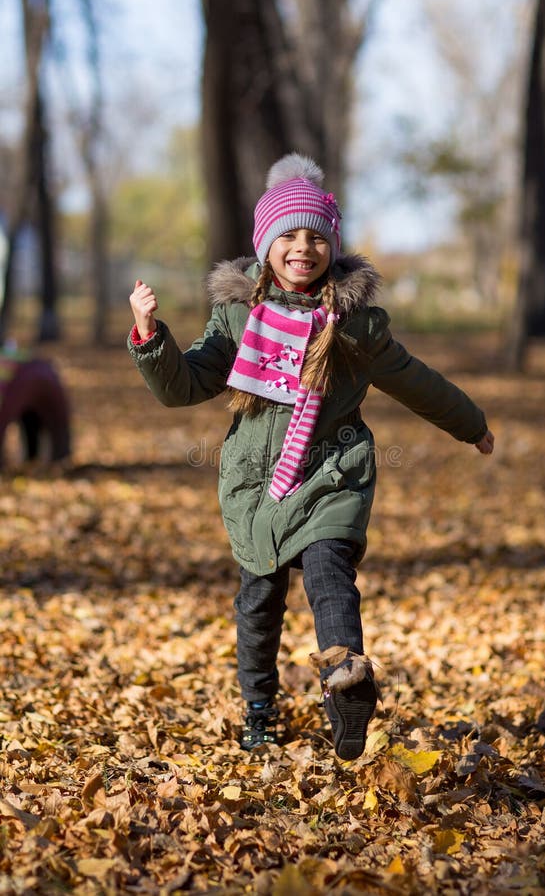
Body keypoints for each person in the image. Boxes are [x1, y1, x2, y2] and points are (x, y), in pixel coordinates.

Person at [128, 153, 495, 761]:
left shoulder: (354, 326)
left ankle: (346, 679)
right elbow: (184, 386)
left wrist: (471, 424)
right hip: (256, 484)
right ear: (265, 245)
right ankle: (260, 709)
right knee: (259, 604)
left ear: (333, 246)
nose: (303, 248)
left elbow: (416, 381)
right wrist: (149, 335)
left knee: (329, 573)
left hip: (330, 475)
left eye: (317, 237)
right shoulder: (238, 315)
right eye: (289, 236)